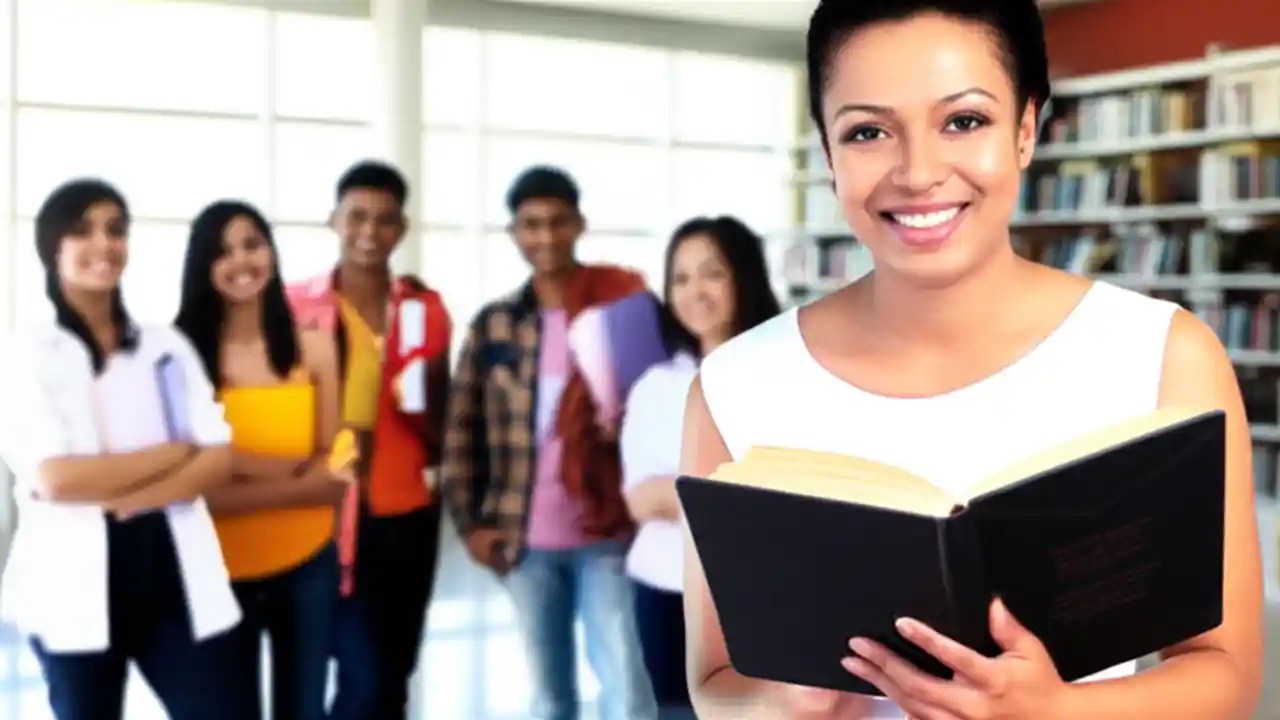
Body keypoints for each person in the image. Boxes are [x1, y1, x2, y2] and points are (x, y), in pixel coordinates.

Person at [681, 1, 1265, 718]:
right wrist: (783, 705)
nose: (918, 173)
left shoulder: (1163, 354)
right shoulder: (734, 385)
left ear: (1025, 130)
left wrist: (1052, 712)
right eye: (867, 132)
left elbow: (1226, 675)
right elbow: (714, 687)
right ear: (829, 155)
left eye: (963, 120)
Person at [0, 179, 257, 719]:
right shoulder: (27, 352)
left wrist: (138, 497)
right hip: (71, 584)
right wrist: (174, 453)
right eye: (83, 231)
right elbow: (58, 480)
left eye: (116, 230)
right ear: (52, 247)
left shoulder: (167, 346)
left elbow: (219, 457)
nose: (104, 243)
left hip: (171, 568)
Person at [442, 165, 659, 720]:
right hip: (525, 539)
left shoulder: (618, 311)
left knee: (626, 689)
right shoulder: (494, 325)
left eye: (558, 222)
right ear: (514, 233)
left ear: (579, 224)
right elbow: (461, 431)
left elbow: (655, 411)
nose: (546, 236)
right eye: (531, 224)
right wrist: (471, 526)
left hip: (605, 531)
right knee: (549, 693)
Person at [286, 160, 452, 720]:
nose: (369, 232)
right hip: (323, 514)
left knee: (393, 673)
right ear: (333, 219)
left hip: (405, 513)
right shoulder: (295, 306)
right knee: (361, 674)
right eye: (357, 216)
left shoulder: (426, 309)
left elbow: (440, 421)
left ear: (402, 228)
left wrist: (428, 397)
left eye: (384, 220)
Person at [175, 200, 348, 720]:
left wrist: (232, 467)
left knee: (305, 710)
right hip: (218, 567)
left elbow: (331, 463)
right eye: (222, 251)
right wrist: (295, 482)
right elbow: (195, 491)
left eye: (252, 244)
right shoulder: (180, 356)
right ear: (202, 265)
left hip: (307, 562)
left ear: (271, 252)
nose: (242, 261)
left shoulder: (314, 347)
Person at [620, 216, 782, 718]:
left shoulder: (786, 376)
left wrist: (685, 492)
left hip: (760, 593)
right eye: (681, 278)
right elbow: (640, 501)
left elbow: (788, 497)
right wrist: (729, 492)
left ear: (745, 278)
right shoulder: (656, 385)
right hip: (665, 590)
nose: (696, 292)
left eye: (713, 273)